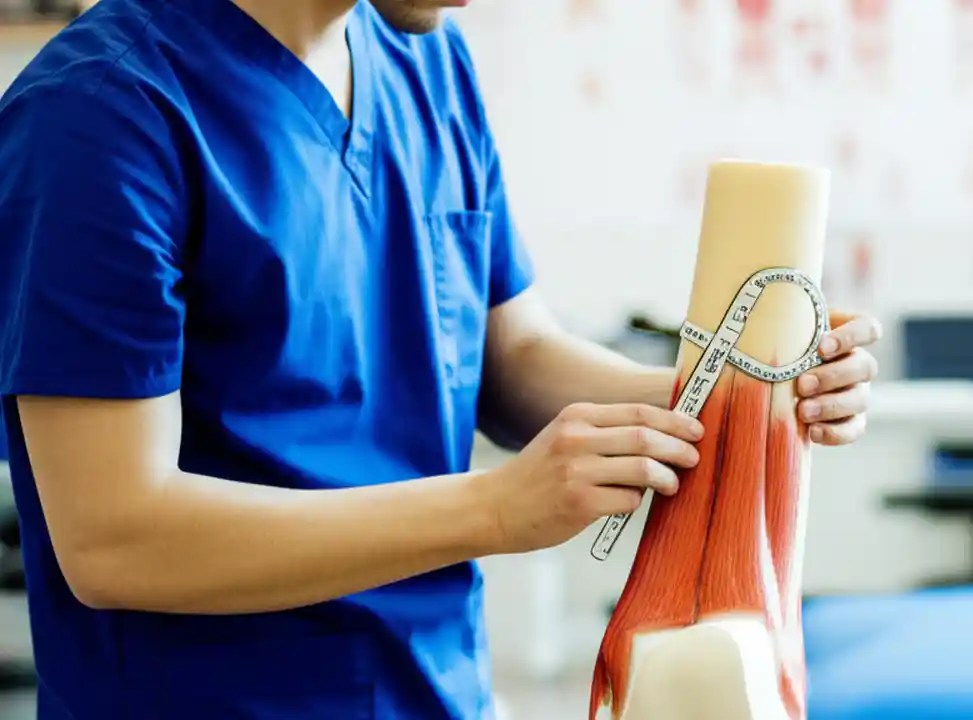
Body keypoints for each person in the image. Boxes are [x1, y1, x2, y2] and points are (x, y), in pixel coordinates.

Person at [0, 0, 881, 717]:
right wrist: (497, 510)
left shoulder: (423, 59)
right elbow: (114, 539)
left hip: (437, 691)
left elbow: (514, 353)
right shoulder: (99, 115)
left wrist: (742, 398)